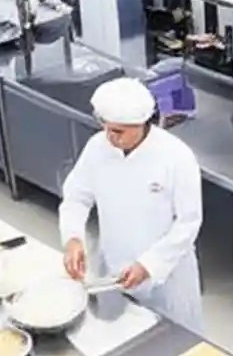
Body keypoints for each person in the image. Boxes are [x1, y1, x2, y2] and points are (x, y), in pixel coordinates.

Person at [60, 77, 204, 333]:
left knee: (172, 346)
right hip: (114, 266)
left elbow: (188, 223)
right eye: (106, 127)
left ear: (142, 124)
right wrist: (72, 238)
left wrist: (149, 265)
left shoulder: (176, 157)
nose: (110, 137)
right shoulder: (97, 148)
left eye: (119, 132)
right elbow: (76, 196)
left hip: (166, 278)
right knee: (120, 339)